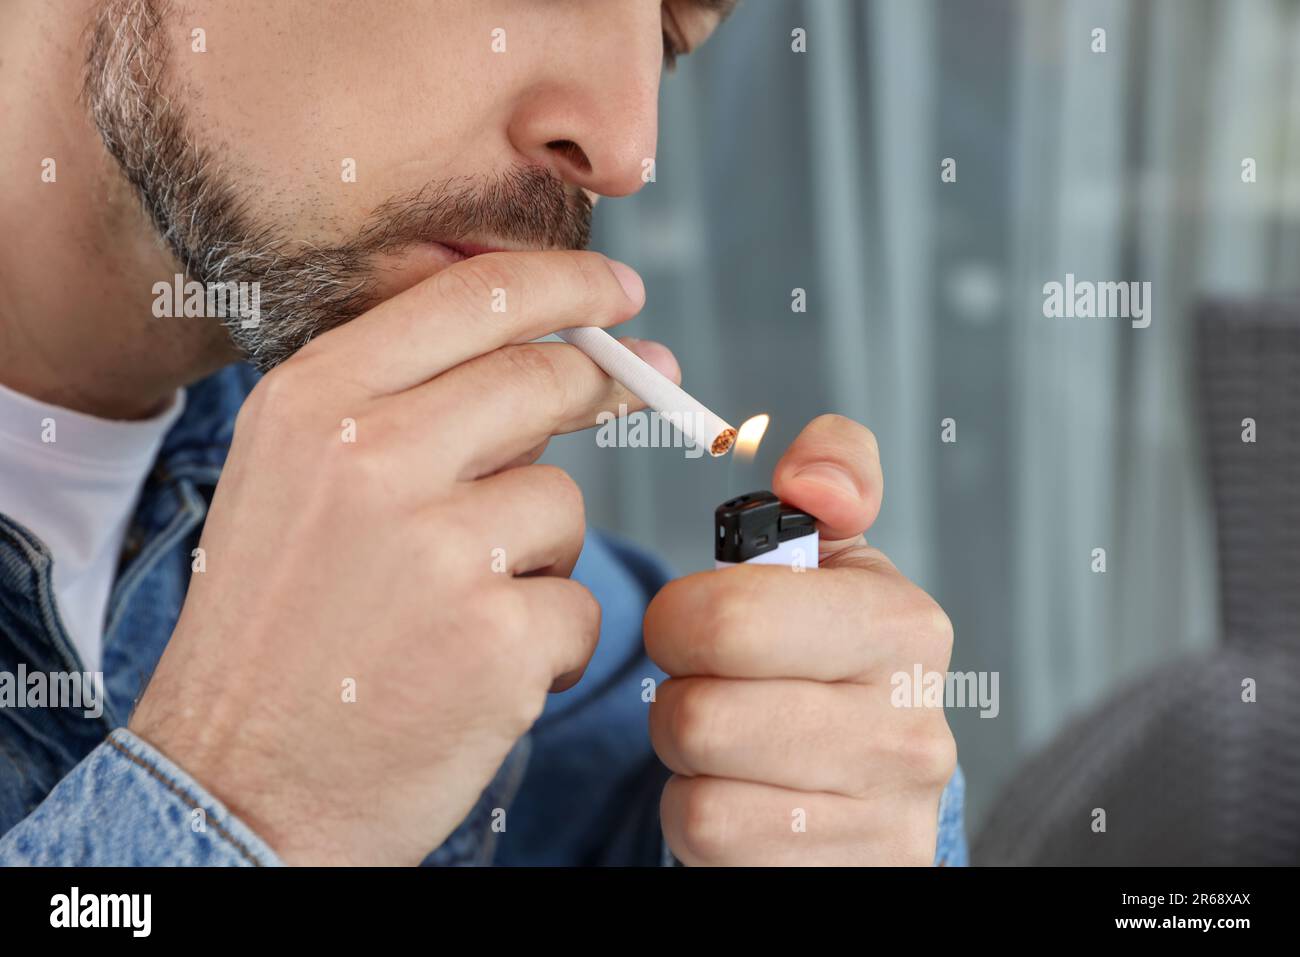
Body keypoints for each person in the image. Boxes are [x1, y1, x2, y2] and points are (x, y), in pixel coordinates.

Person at [0, 0, 965, 866]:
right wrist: (240, 801)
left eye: (669, 40)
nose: (627, 148)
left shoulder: (524, 627)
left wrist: (836, 792)